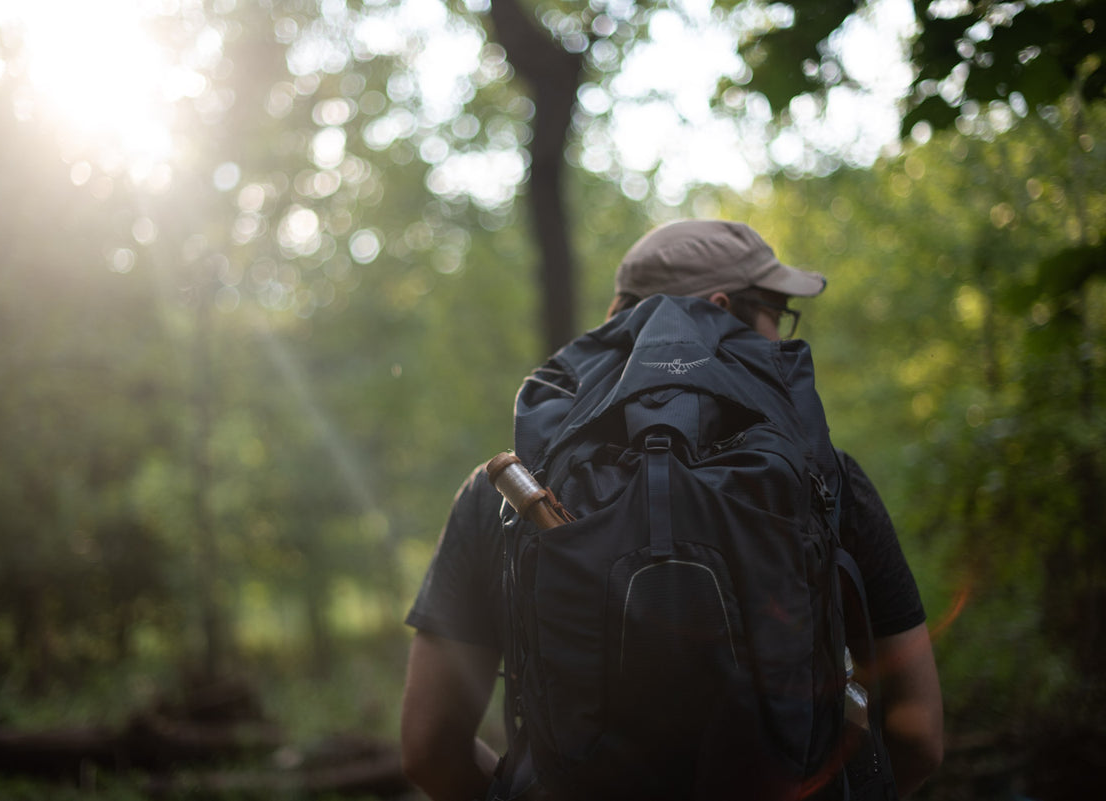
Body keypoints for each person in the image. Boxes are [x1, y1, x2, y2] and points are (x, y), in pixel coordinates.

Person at [400, 220, 944, 801]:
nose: (777, 333)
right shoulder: (827, 479)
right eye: (777, 312)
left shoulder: (508, 491)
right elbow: (918, 736)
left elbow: (430, 748)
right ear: (721, 306)